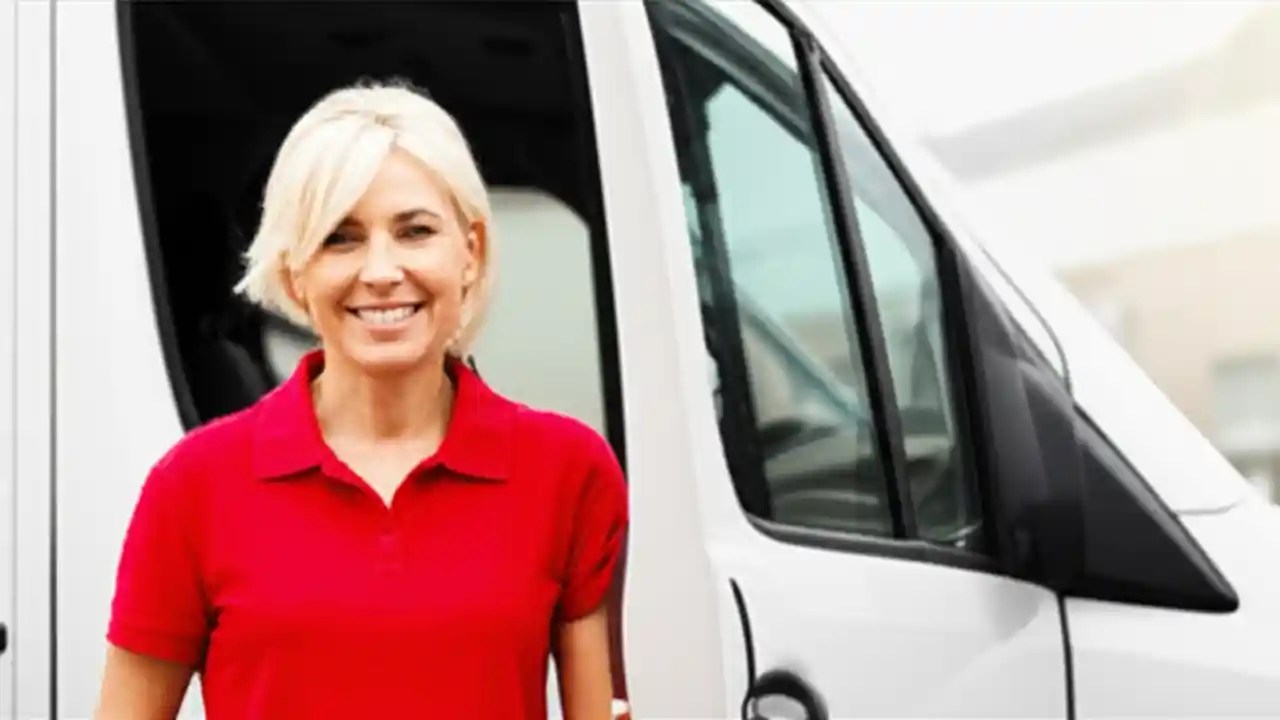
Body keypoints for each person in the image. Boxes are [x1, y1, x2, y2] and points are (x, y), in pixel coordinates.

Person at [94, 80, 628, 720]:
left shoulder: (570, 473)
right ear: (295, 269)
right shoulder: (192, 487)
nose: (380, 271)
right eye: (340, 238)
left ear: (470, 251)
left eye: (415, 231)